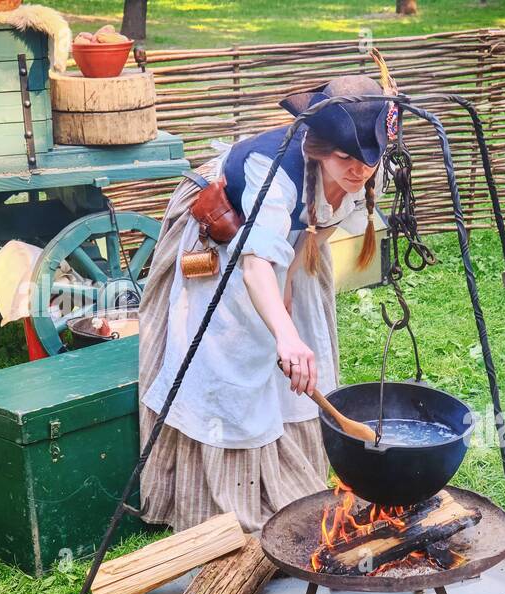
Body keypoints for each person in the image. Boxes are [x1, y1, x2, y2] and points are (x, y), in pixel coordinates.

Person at [137, 74, 389, 532]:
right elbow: (254, 266)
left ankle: (288, 477)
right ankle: (225, 507)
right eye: (345, 158)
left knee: (296, 342)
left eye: (367, 160)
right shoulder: (271, 171)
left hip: (291, 242)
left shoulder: (370, 172)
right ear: (317, 149)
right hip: (225, 232)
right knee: (234, 354)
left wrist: (288, 298)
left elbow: (317, 234)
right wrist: (283, 335)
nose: (358, 170)